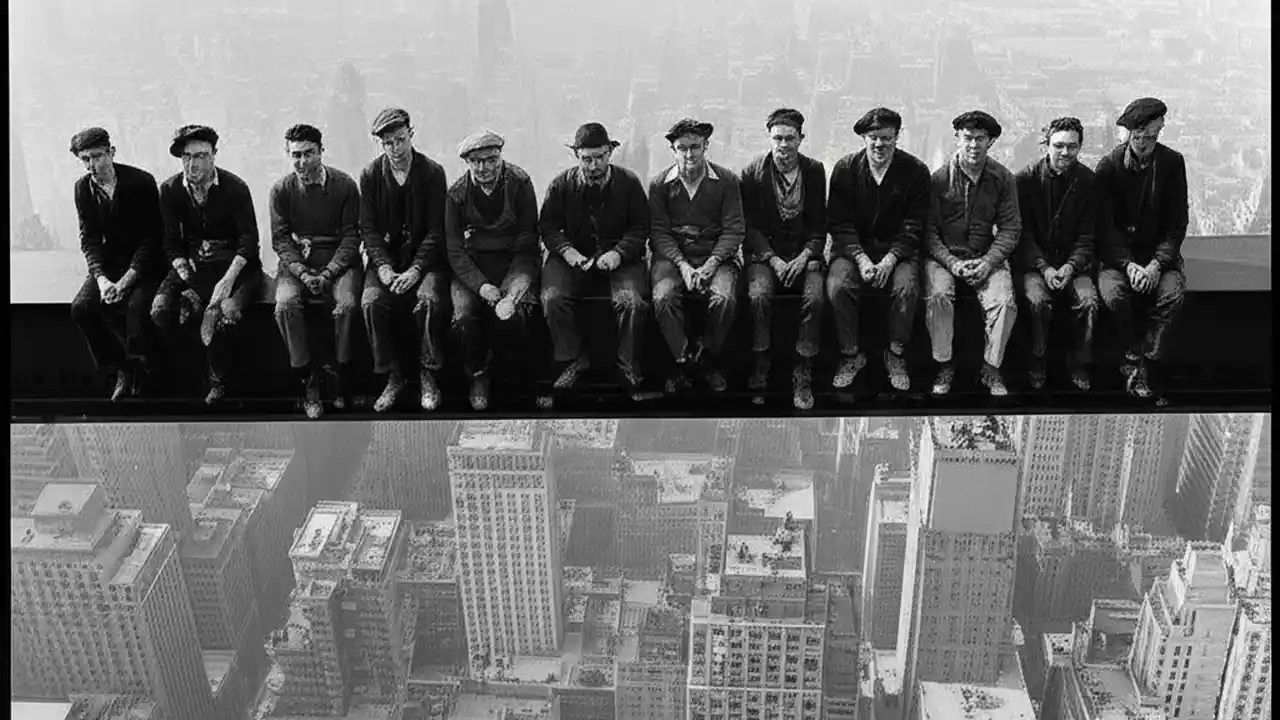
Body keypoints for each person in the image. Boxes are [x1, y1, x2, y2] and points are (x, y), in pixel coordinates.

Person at [152, 124, 264, 405]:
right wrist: (185, 273)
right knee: (160, 310)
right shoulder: (170, 189)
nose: (193, 164)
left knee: (226, 313)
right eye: (187, 157)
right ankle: (183, 375)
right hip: (193, 265)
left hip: (235, 266)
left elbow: (249, 242)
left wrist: (227, 280)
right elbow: (171, 242)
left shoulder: (235, 187)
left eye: (201, 156)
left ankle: (219, 380)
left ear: (214, 154)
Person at [539, 122, 651, 401]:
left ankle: (627, 363)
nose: (593, 165)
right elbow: (548, 227)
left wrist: (619, 252)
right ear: (576, 156)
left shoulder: (629, 183)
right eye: (586, 159)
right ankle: (573, 359)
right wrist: (568, 252)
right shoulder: (561, 185)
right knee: (552, 298)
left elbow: (641, 227)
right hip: (573, 257)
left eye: (600, 157)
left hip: (620, 258)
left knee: (632, 302)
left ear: (609, 153)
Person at [825, 107, 932, 394]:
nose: (879, 144)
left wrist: (890, 259)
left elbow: (915, 224)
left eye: (886, 137)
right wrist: (861, 258)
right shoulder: (846, 169)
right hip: (852, 250)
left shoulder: (915, 171)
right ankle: (850, 354)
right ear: (864, 138)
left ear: (897, 137)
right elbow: (839, 222)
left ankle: (895, 353)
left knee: (906, 288)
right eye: (873, 137)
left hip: (899, 251)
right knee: (838, 286)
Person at [1094, 97, 1188, 402]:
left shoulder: (1172, 164)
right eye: (1139, 137)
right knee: (1113, 295)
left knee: (1171, 295)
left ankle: (1145, 357)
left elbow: (1176, 224)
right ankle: (1133, 351)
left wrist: (1157, 264)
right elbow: (1104, 228)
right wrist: (1128, 265)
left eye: (1151, 137)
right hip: (1119, 259)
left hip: (1158, 258)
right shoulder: (1109, 167)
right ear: (1128, 134)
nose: (1145, 143)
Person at [358, 108, 451, 412]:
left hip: (424, 261)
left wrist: (416, 268)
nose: (395, 148)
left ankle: (428, 373)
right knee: (371, 302)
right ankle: (392, 376)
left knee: (428, 300)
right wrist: (384, 267)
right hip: (385, 261)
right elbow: (368, 229)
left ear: (411, 135)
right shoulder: (370, 175)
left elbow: (437, 231)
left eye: (400, 140)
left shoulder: (432, 173)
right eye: (388, 143)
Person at [923, 110, 1021, 397]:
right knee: (938, 297)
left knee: (1004, 303)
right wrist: (951, 262)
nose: (973, 145)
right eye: (967, 138)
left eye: (980, 139)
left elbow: (1010, 228)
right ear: (957, 138)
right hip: (945, 257)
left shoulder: (1002, 178)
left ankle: (991, 367)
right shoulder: (938, 179)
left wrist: (989, 261)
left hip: (986, 255)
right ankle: (944, 364)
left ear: (991, 141)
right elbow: (929, 231)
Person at [270, 124, 363, 418]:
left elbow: (352, 236)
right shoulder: (281, 190)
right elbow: (281, 239)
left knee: (347, 306)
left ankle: (339, 373)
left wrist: (328, 272)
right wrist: (302, 272)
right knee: (285, 305)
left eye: (309, 153)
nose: (302, 161)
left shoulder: (345, 185)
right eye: (296, 155)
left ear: (321, 151)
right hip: (298, 264)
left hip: (339, 262)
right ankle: (307, 377)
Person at [648, 117, 746, 394]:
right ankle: (683, 358)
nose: (689, 154)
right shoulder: (660, 185)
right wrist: (682, 265)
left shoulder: (726, 181)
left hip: (717, 257)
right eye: (682, 148)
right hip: (673, 258)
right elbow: (659, 233)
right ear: (673, 150)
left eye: (695, 147)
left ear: (706, 147)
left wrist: (711, 263)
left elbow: (734, 229)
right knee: (663, 297)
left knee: (724, 298)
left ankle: (707, 354)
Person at [445, 129, 540, 410]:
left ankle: (519, 377)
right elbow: (454, 250)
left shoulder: (520, 183)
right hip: (473, 268)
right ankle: (477, 374)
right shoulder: (456, 194)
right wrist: (481, 286)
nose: (484, 168)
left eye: (490, 160)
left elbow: (528, 241)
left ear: (500, 158)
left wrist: (512, 290)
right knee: (462, 318)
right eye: (476, 161)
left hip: (514, 262)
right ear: (467, 163)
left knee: (519, 311)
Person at [739, 108, 827, 409]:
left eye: (790, 138)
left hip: (804, 255)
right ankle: (761, 361)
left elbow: (818, 223)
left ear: (801, 139)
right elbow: (751, 227)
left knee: (815, 297)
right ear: (769, 139)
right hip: (765, 255)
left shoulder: (813, 171)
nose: (784, 145)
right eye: (778, 138)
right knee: (758, 296)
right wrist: (773, 259)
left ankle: (803, 367)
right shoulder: (752, 173)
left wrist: (805, 255)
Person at [68, 127, 164, 401]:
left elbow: (153, 237)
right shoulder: (82, 189)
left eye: (97, 156)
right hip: (110, 264)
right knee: (82, 309)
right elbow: (89, 240)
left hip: (145, 263)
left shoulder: (141, 182)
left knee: (136, 309)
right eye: (85, 159)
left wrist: (127, 280)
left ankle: (144, 370)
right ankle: (121, 368)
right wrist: (101, 280)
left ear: (111, 152)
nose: (92, 165)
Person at [1013, 117, 1099, 390]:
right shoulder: (1025, 180)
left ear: (1080, 147)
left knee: (1088, 302)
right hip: (1036, 265)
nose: (1065, 152)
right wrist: (1044, 267)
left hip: (1074, 265)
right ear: (1046, 145)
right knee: (1037, 301)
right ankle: (1037, 357)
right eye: (1059, 145)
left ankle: (1078, 360)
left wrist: (1071, 266)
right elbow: (1022, 234)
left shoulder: (1088, 182)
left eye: (1072, 146)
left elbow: (1088, 234)